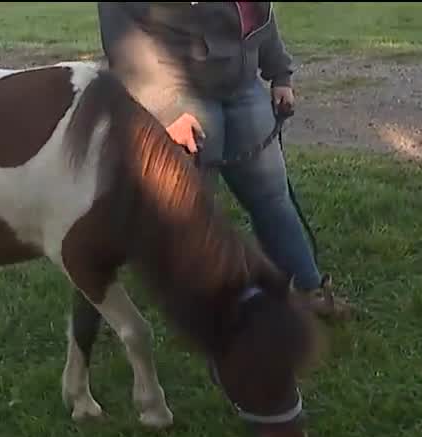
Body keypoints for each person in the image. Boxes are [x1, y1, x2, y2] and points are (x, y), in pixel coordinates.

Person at [96, 1, 356, 322]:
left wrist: (279, 73)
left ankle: (307, 289)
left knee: (273, 198)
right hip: (179, 91)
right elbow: (124, 36)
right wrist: (164, 110)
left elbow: (256, 13)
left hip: (243, 86)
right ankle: (204, 311)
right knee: (192, 214)